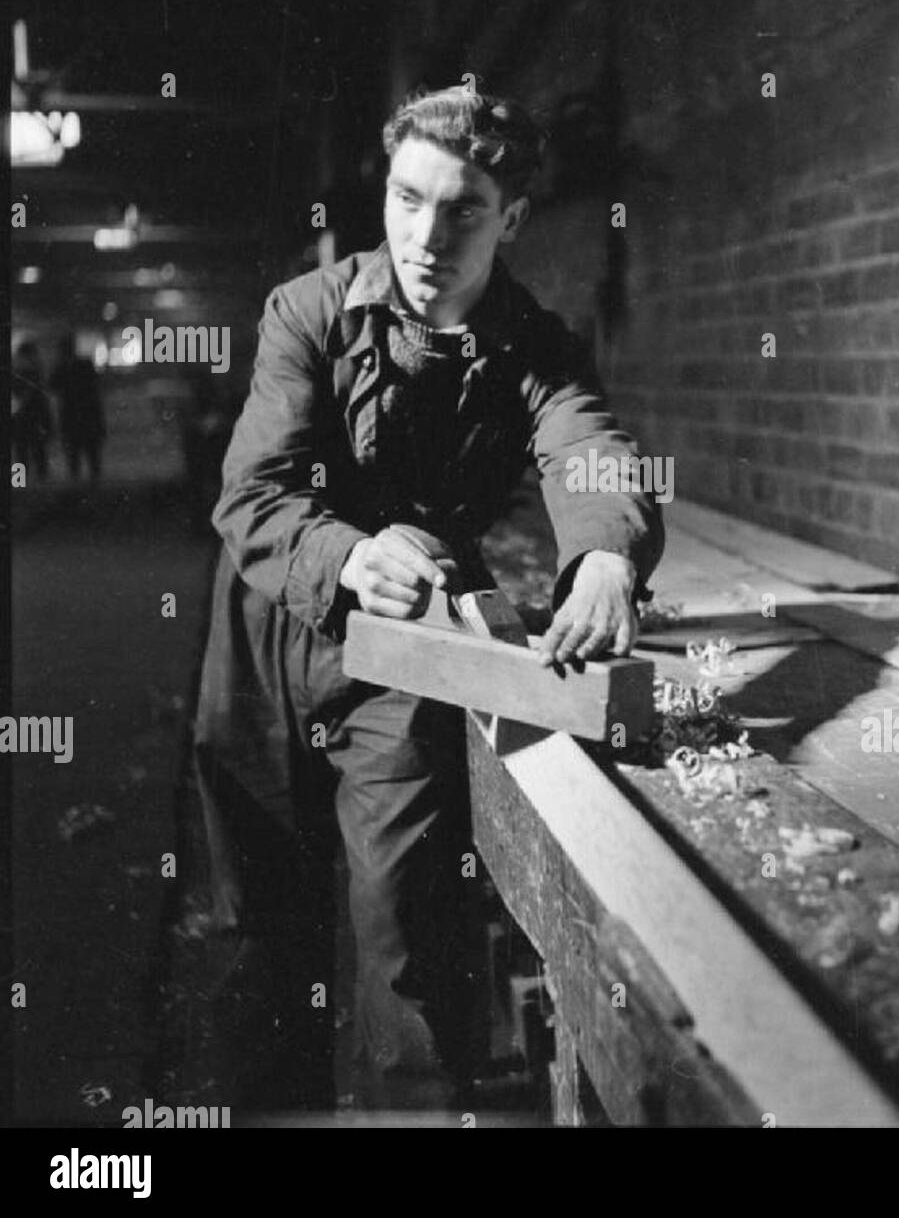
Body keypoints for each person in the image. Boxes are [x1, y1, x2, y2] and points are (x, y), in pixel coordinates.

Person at [192, 86, 664, 1113]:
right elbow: (252, 494)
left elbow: (586, 446)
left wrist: (608, 556)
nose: (426, 234)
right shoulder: (307, 313)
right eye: (409, 199)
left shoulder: (534, 346)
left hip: (405, 664)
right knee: (256, 927)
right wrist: (350, 554)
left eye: (463, 211)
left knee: (402, 924)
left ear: (512, 220)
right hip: (269, 645)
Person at [48, 332, 106, 484]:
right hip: (86, 415)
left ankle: (78, 486)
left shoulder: (62, 368)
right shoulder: (84, 364)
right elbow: (94, 386)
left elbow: (53, 386)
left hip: (72, 416)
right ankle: (92, 484)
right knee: (90, 453)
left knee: (75, 455)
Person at [11, 338, 53, 483]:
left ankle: (19, 481)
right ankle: (41, 480)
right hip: (35, 416)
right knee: (38, 449)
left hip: (20, 416)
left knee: (21, 450)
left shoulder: (16, 372)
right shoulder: (37, 372)